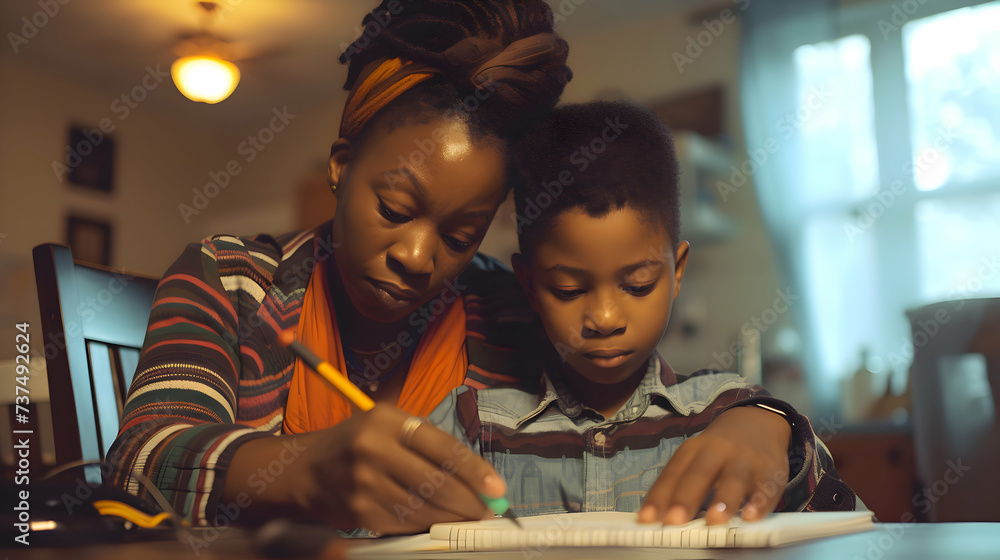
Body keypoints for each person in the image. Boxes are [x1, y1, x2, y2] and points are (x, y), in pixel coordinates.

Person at [107, 0, 573, 534]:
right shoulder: (231, 280)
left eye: (459, 236)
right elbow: (139, 462)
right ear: (341, 166)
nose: (417, 257)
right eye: (394, 210)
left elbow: (610, 424)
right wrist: (304, 471)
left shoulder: (505, 307)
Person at [428, 100, 861, 526]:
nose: (604, 318)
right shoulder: (475, 427)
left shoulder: (730, 414)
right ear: (528, 284)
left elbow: (841, 526)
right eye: (569, 289)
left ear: (677, 272)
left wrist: (778, 428)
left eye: (637, 285)